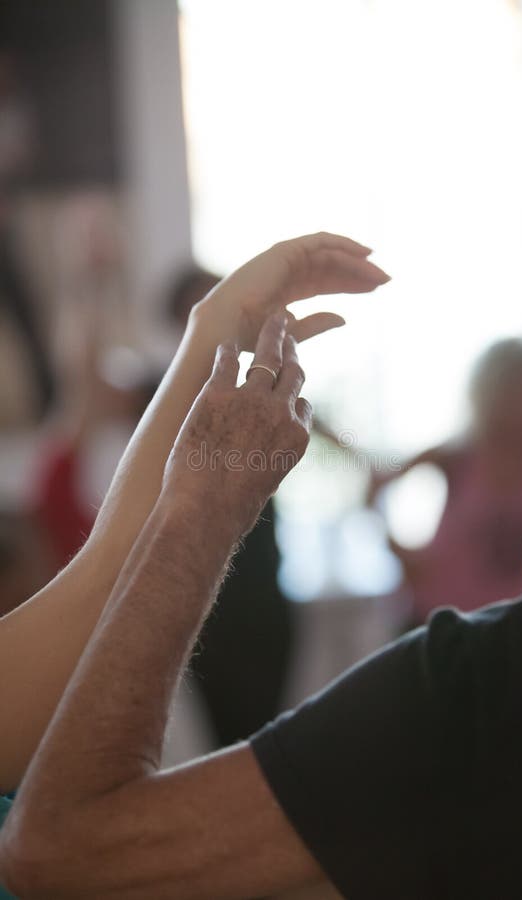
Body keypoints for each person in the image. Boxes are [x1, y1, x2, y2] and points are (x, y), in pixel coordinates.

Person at [0, 238, 522, 899]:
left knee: (237, 756)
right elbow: (57, 843)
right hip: (379, 611)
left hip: (258, 593)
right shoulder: (474, 673)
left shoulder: (501, 666)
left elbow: (58, 838)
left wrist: (213, 500)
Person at [369, 338, 522, 624]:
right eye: (514, 390)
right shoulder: (455, 454)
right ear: (491, 391)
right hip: (436, 616)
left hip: (506, 617)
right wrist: (403, 558)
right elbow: (376, 486)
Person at [165, 263, 293, 747]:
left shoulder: (263, 388)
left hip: (263, 592)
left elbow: (313, 425)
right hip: (203, 598)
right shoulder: (163, 393)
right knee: (225, 740)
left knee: (264, 732)